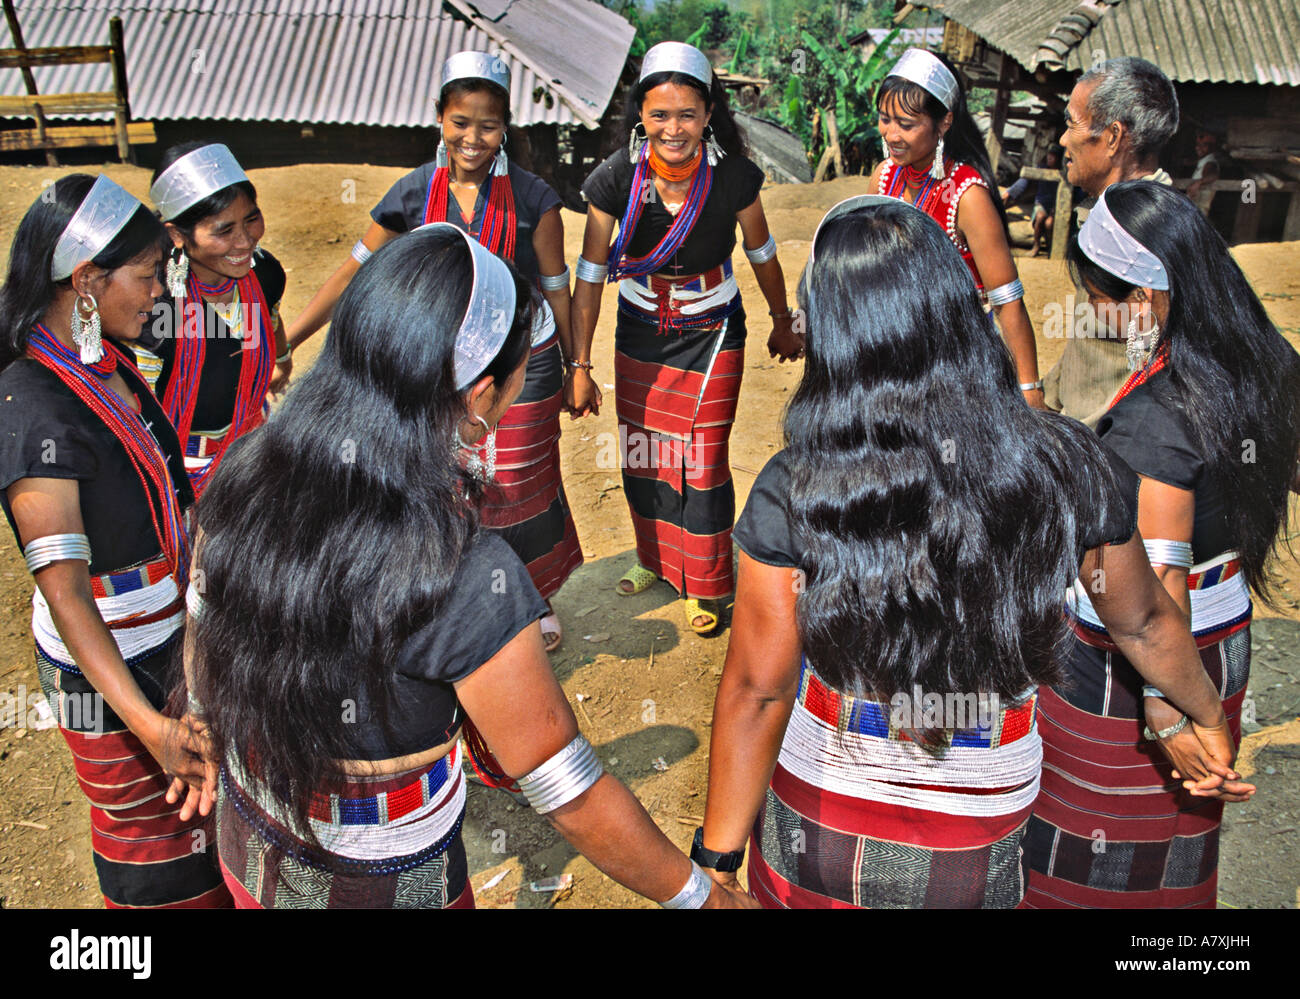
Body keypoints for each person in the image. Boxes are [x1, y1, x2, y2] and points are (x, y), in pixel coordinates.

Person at [178, 224, 753, 909]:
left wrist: (201, 725)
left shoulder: (244, 471)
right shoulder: (459, 570)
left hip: (257, 843)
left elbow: (203, 632)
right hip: (390, 884)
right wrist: (703, 896)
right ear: (479, 397)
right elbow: (565, 788)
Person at [694, 195, 1243, 909]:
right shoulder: (1064, 461)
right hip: (979, 827)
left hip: (822, 819)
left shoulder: (797, 487)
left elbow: (757, 690)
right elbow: (1142, 622)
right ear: (959, 305)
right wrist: (1205, 711)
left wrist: (718, 856)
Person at [1024, 180, 1300, 908]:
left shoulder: (1154, 424)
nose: (1088, 309)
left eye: (1096, 294)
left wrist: (1176, 712)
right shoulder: (1263, 366)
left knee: (1092, 851)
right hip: (1224, 636)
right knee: (1177, 847)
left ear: (1143, 298)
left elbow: (1153, 604)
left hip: (1144, 667)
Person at [285, 52, 580, 652]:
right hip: (442, 367)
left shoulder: (534, 198)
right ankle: (463, 595)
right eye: (460, 122)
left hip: (525, 361)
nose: (473, 138)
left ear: (506, 127)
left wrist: (579, 367)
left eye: (489, 125)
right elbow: (355, 274)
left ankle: (535, 595)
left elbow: (556, 288)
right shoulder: (414, 192)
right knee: (452, 484)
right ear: (440, 118)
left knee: (521, 477)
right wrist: (288, 339)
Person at [0, 175, 231, 908]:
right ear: (87, 280)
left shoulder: (105, 360)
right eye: (148, 275)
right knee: (157, 866)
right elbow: (65, 591)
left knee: (207, 842)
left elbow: (220, 349)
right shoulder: (34, 406)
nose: (163, 291)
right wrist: (149, 725)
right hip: (108, 676)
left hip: (166, 639)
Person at [573, 40, 798, 635]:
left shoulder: (733, 176)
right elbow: (591, 273)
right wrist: (578, 362)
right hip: (641, 328)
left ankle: (706, 582)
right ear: (640, 116)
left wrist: (782, 318)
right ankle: (656, 560)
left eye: (688, 114)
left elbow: (762, 251)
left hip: (714, 328)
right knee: (645, 453)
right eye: (660, 114)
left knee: (702, 459)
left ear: (709, 114)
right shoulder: (616, 178)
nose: (674, 128)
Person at [869, 47, 1044, 408]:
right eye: (885, 119)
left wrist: (1030, 390)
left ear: (944, 123)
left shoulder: (967, 196)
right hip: (893, 356)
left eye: (906, 124)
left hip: (958, 363)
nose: (891, 134)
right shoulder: (883, 178)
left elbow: (1006, 299)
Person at [133, 142, 290, 496]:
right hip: (178, 467)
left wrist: (281, 359)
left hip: (253, 446)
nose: (245, 240)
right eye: (223, 230)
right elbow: (136, 410)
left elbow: (269, 317)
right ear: (176, 235)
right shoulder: (154, 305)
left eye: (251, 218)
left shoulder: (263, 273)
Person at [1044, 56, 1179, 426]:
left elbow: (1150, 363)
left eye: (1072, 123)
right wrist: (1050, 395)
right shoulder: (1105, 213)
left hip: (1114, 445)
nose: (1062, 139)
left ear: (1114, 137)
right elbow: (1091, 340)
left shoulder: (1151, 227)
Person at [1186, 129, 1222, 215]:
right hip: (1196, 207)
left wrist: (1198, 183)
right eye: (1198, 145)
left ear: (1212, 148)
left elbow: (1213, 175)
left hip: (1198, 209)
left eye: (1204, 145)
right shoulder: (1204, 161)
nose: (1198, 148)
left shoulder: (1210, 162)